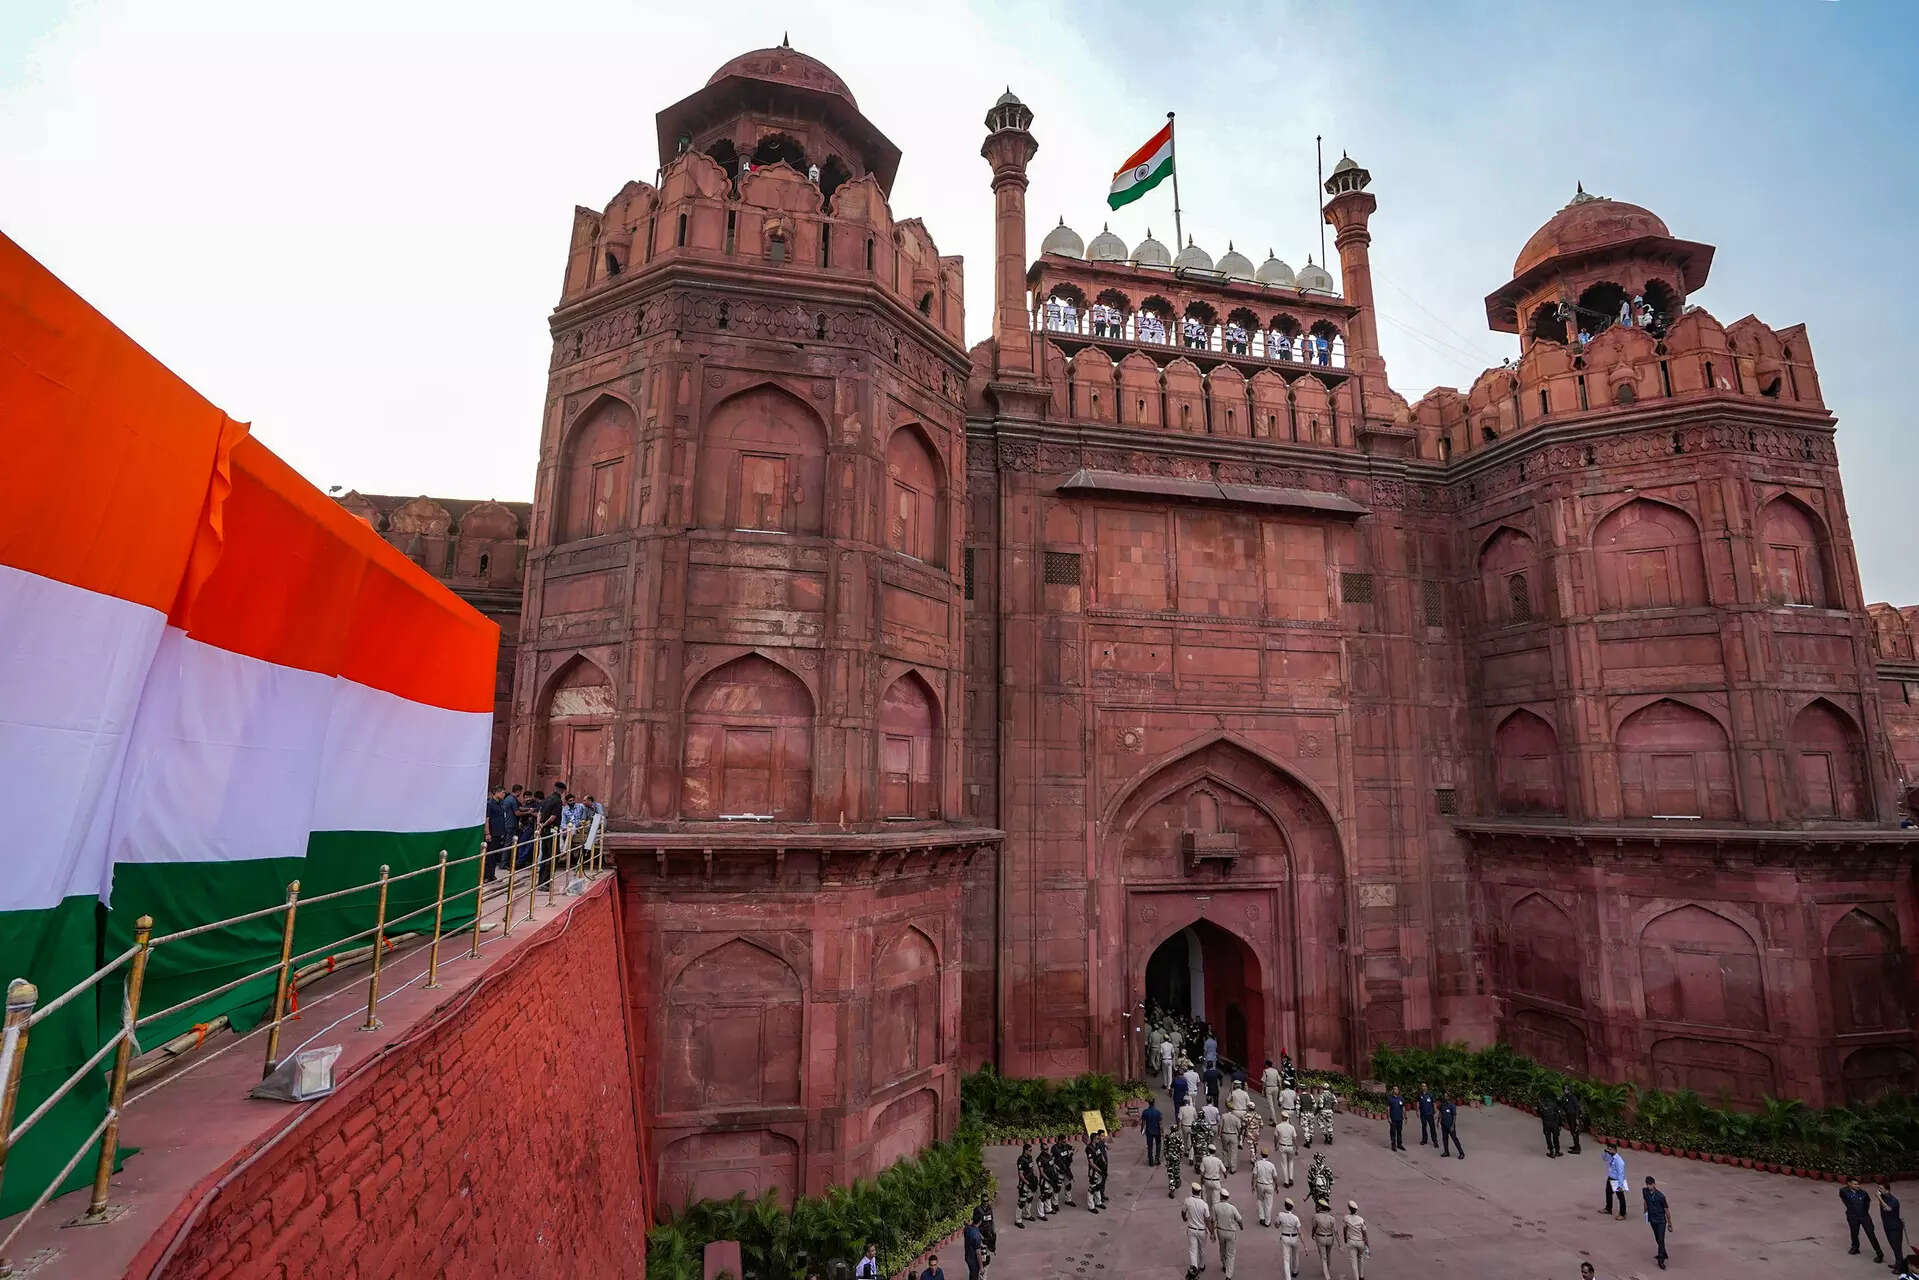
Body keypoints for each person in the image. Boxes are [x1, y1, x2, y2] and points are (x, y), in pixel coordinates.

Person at [1845, 1176, 1887, 1262]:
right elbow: (1845, 1201)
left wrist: (1863, 1211)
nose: (1858, 1186)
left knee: (1871, 1234)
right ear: (1849, 1184)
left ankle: (1879, 1253)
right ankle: (1855, 1247)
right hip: (1852, 1216)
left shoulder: (1863, 1193)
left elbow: (1867, 1202)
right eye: (1855, 1184)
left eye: (1858, 1184)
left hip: (1864, 1216)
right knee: (1854, 1232)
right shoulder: (1843, 1191)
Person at [1214, 1186, 1245, 1278]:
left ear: (1221, 1196)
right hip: (1231, 1232)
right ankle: (1229, 1275)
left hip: (1220, 1231)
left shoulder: (1216, 1206)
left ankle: (1224, 1264)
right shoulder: (1232, 1208)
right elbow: (1239, 1219)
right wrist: (1241, 1227)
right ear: (1227, 1197)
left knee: (1222, 1249)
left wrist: (1212, 1232)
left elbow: (1213, 1220)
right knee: (1231, 1254)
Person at [1182, 1181, 1213, 1275]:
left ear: (1192, 1190)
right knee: (1202, 1249)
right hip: (1202, 1230)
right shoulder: (1204, 1204)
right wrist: (1211, 1232)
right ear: (1200, 1192)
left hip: (1191, 1229)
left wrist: (1185, 1218)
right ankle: (1202, 1265)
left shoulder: (1187, 1200)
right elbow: (1207, 1220)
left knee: (1192, 1249)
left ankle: (1194, 1266)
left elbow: (1183, 1212)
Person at [1643, 1175, 1671, 1270]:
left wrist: (1669, 1223)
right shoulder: (1645, 1191)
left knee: (1661, 1238)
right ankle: (1664, 1253)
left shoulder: (1661, 1196)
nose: (1649, 1186)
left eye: (1650, 1184)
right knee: (1657, 1238)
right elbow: (1645, 1201)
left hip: (1661, 1221)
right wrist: (1645, 1212)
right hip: (1652, 1219)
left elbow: (1666, 1209)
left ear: (1654, 1184)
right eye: (1647, 1184)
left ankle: (1661, 1260)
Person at [1275, 1197, 1303, 1280]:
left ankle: (1288, 1278)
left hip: (1285, 1237)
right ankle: (1295, 1271)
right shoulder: (1295, 1218)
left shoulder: (1280, 1215)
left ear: (1285, 1206)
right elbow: (1299, 1231)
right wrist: (1303, 1243)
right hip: (1294, 1237)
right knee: (1295, 1255)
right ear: (1292, 1207)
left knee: (1286, 1259)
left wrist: (1278, 1222)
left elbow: (1276, 1225)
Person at [1311, 1199, 1339, 1280]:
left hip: (1320, 1238)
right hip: (1330, 1238)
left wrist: (1312, 1234)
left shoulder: (1316, 1216)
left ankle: (1327, 1276)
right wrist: (1339, 1243)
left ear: (1320, 1207)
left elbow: (1314, 1227)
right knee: (1328, 1254)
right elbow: (1336, 1231)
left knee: (1323, 1258)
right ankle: (1327, 1269)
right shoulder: (1331, 1218)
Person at [1881, 1180, 1906, 1272]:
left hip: (1895, 1227)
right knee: (1893, 1245)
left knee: (1897, 1247)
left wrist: (1879, 1198)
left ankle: (1900, 1268)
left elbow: (1888, 1208)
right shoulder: (1884, 1197)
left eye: (1881, 1188)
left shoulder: (1893, 1200)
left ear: (1887, 1190)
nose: (1879, 1190)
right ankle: (1898, 1263)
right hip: (1887, 1225)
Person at [1342, 1200, 1369, 1280]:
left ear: (1349, 1208)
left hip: (1351, 1241)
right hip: (1360, 1242)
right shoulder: (1361, 1220)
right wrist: (1367, 1244)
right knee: (1361, 1259)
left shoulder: (1346, 1218)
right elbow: (1364, 1233)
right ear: (1356, 1209)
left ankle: (1356, 1278)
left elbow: (1344, 1229)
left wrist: (1345, 1239)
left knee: (1353, 1262)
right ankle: (1361, 1276)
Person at [1252, 1148, 1278, 1227]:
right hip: (1269, 1185)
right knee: (1268, 1203)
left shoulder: (1257, 1164)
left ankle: (1262, 1217)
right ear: (1267, 1155)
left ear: (1261, 1154)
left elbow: (1254, 1176)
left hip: (1260, 1184)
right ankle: (1267, 1221)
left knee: (1260, 1201)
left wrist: (1253, 1185)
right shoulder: (1271, 1165)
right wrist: (1276, 1186)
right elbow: (1275, 1177)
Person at [1015, 1142, 1039, 1226]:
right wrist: (1027, 1183)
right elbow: (1020, 1174)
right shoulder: (1021, 1160)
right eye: (1029, 1150)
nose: (1031, 1152)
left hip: (1031, 1181)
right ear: (1025, 1151)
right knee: (1021, 1202)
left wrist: (1035, 1179)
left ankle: (1027, 1215)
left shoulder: (1030, 1157)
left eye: (1031, 1150)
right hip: (1024, 1182)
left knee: (1030, 1199)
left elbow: (1032, 1169)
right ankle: (1018, 1220)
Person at [1602, 1145, 1628, 1220]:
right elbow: (1604, 1158)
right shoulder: (1610, 1156)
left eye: (1610, 1149)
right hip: (1610, 1178)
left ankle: (1623, 1214)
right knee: (1608, 1193)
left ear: (1614, 1150)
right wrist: (1605, 1152)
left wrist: (1620, 1185)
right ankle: (1608, 1209)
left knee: (1620, 1197)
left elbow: (1621, 1174)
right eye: (1608, 1149)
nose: (1609, 1151)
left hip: (1617, 1180)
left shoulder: (1619, 1161)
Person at [1275, 1111, 1299, 1187]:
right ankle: (1291, 1178)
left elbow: (1275, 1137)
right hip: (1290, 1146)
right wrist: (1296, 1148)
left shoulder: (1278, 1126)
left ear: (1282, 1117)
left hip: (1282, 1146)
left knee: (1284, 1164)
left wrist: (1275, 1145)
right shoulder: (1291, 1127)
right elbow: (1294, 1138)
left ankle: (1286, 1181)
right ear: (1287, 1118)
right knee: (1291, 1162)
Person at [1086, 1132, 1109, 1212]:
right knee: (1092, 1188)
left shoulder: (1097, 1146)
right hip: (1094, 1170)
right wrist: (1099, 1170)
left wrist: (1104, 1163)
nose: (1099, 1139)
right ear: (1093, 1139)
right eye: (1097, 1138)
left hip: (1100, 1169)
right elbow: (1091, 1163)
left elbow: (1101, 1155)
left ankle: (1098, 1202)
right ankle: (1091, 1206)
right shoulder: (1089, 1148)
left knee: (1098, 1186)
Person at [1200, 1144, 1226, 1209]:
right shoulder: (1218, 1160)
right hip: (1216, 1182)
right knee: (1216, 1200)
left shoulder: (1204, 1159)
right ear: (1215, 1151)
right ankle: (1214, 1216)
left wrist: (1201, 1180)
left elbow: (1202, 1172)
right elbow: (1224, 1171)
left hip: (1206, 1180)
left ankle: (1206, 1212)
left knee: (1205, 1197)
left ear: (1208, 1150)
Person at [1560, 1085, 1584, 1155]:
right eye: (1564, 1090)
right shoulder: (1566, 1097)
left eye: (1565, 1090)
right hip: (1569, 1115)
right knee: (1572, 1131)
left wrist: (1577, 1118)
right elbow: (1564, 1105)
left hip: (1573, 1116)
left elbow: (1577, 1108)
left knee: (1574, 1132)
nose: (1564, 1091)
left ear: (1569, 1090)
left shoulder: (1573, 1097)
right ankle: (1575, 1145)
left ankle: (1577, 1148)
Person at [1220, 1104, 1242, 1174]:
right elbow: (1239, 1128)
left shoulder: (1223, 1116)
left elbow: (1220, 1126)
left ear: (1227, 1109)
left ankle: (1226, 1165)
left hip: (1225, 1134)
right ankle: (1233, 1168)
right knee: (1233, 1152)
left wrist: (1219, 1134)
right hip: (1233, 1135)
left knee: (1225, 1150)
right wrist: (1239, 1136)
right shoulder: (1236, 1118)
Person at [1142, 1097, 1164, 1166]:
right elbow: (1160, 1124)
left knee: (1150, 1146)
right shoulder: (1158, 1112)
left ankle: (1150, 1160)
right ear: (1154, 1103)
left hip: (1149, 1131)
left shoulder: (1145, 1112)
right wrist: (1162, 1131)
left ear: (1149, 1103)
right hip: (1157, 1131)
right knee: (1158, 1144)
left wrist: (1142, 1130)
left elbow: (1143, 1122)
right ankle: (1157, 1158)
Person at [1540, 1091, 1563, 1158]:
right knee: (1556, 1137)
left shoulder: (1542, 1105)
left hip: (1546, 1124)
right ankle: (1557, 1152)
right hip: (1554, 1124)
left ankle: (1551, 1152)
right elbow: (1559, 1115)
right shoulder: (1555, 1104)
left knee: (1548, 1138)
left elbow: (1541, 1115)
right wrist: (1560, 1124)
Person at [1416, 1083, 1437, 1147]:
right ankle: (1424, 1140)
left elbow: (1434, 1103)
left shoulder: (1430, 1094)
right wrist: (1417, 1111)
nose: (1423, 1087)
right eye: (1422, 1086)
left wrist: (1435, 1112)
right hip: (1423, 1114)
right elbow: (1418, 1102)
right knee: (1423, 1127)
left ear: (1427, 1087)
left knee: (1432, 1127)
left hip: (1430, 1114)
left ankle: (1435, 1141)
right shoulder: (1420, 1094)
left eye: (1424, 1086)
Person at [1385, 1087, 1405, 1151]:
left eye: (1397, 1089)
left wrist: (1405, 1116)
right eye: (1395, 1089)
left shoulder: (1401, 1098)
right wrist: (1388, 1117)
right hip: (1393, 1119)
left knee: (1399, 1132)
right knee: (1393, 1132)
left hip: (1400, 1118)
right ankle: (1393, 1145)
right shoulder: (1390, 1098)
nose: (1397, 1090)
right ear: (1393, 1090)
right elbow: (1388, 1108)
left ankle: (1399, 1144)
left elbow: (1403, 1108)